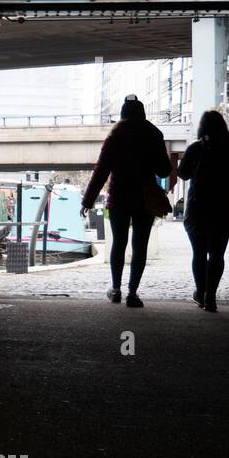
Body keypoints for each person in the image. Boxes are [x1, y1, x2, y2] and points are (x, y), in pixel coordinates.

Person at [81, 95, 171, 307]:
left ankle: (116, 289)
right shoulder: (154, 134)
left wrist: (87, 200)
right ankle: (132, 293)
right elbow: (165, 169)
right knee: (140, 246)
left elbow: (101, 170)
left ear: (122, 115)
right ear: (143, 114)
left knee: (118, 244)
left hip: (119, 198)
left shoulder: (116, 135)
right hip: (144, 198)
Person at [176, 110, 229, 312]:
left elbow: (182, 174)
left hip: (198, 209)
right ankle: (211, 297)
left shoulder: (195, 149)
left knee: (199, 254)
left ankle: (200, 293)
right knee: (217, 255)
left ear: (202, 128)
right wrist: (227, 186)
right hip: (222, 209)